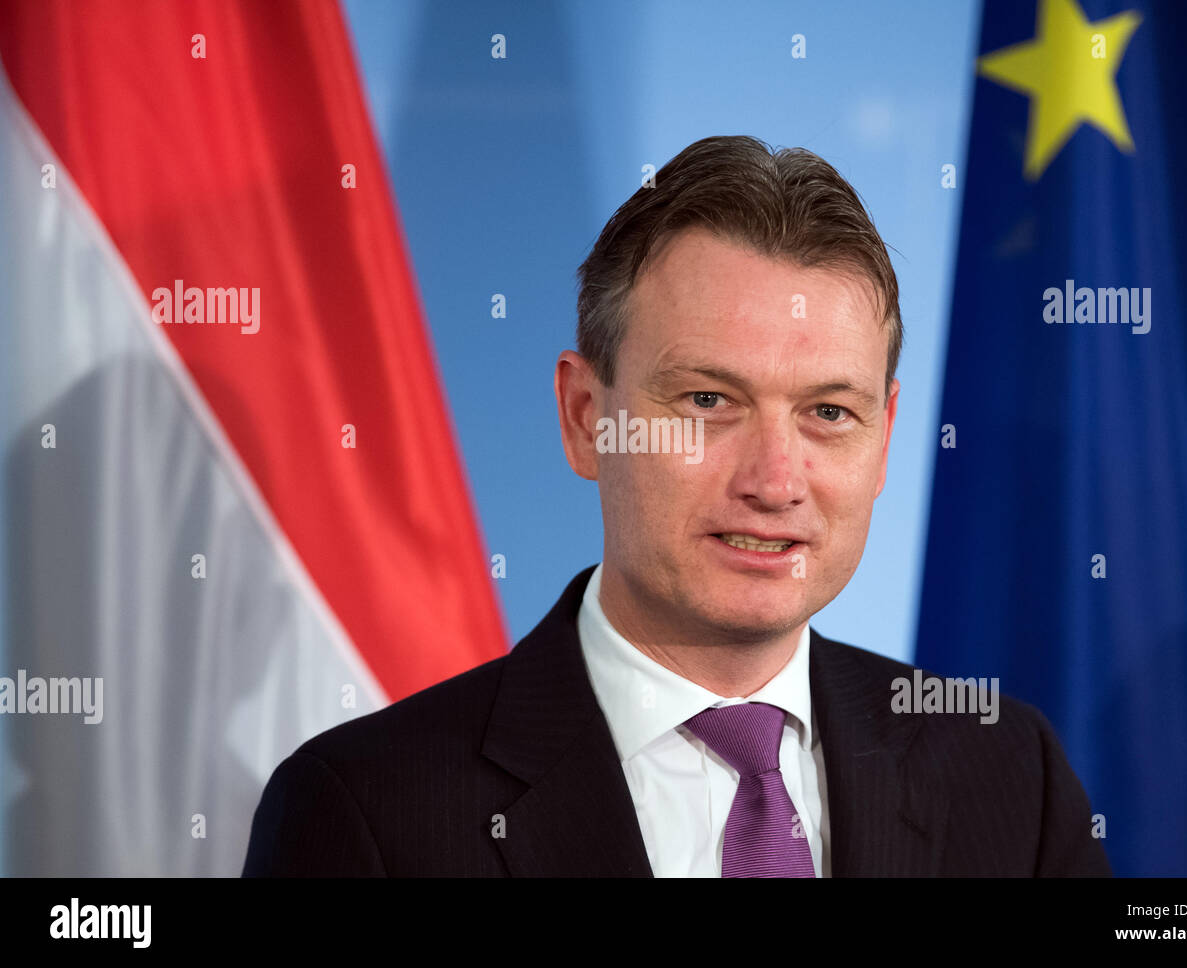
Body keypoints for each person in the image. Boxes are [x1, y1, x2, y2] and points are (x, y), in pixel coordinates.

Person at [242, 135, 1110, 877]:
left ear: (884, 439)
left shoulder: (1008, 775)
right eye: (706, 402)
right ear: (586, 419)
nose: (775, 480)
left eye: (828, 413)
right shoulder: (370, 815)